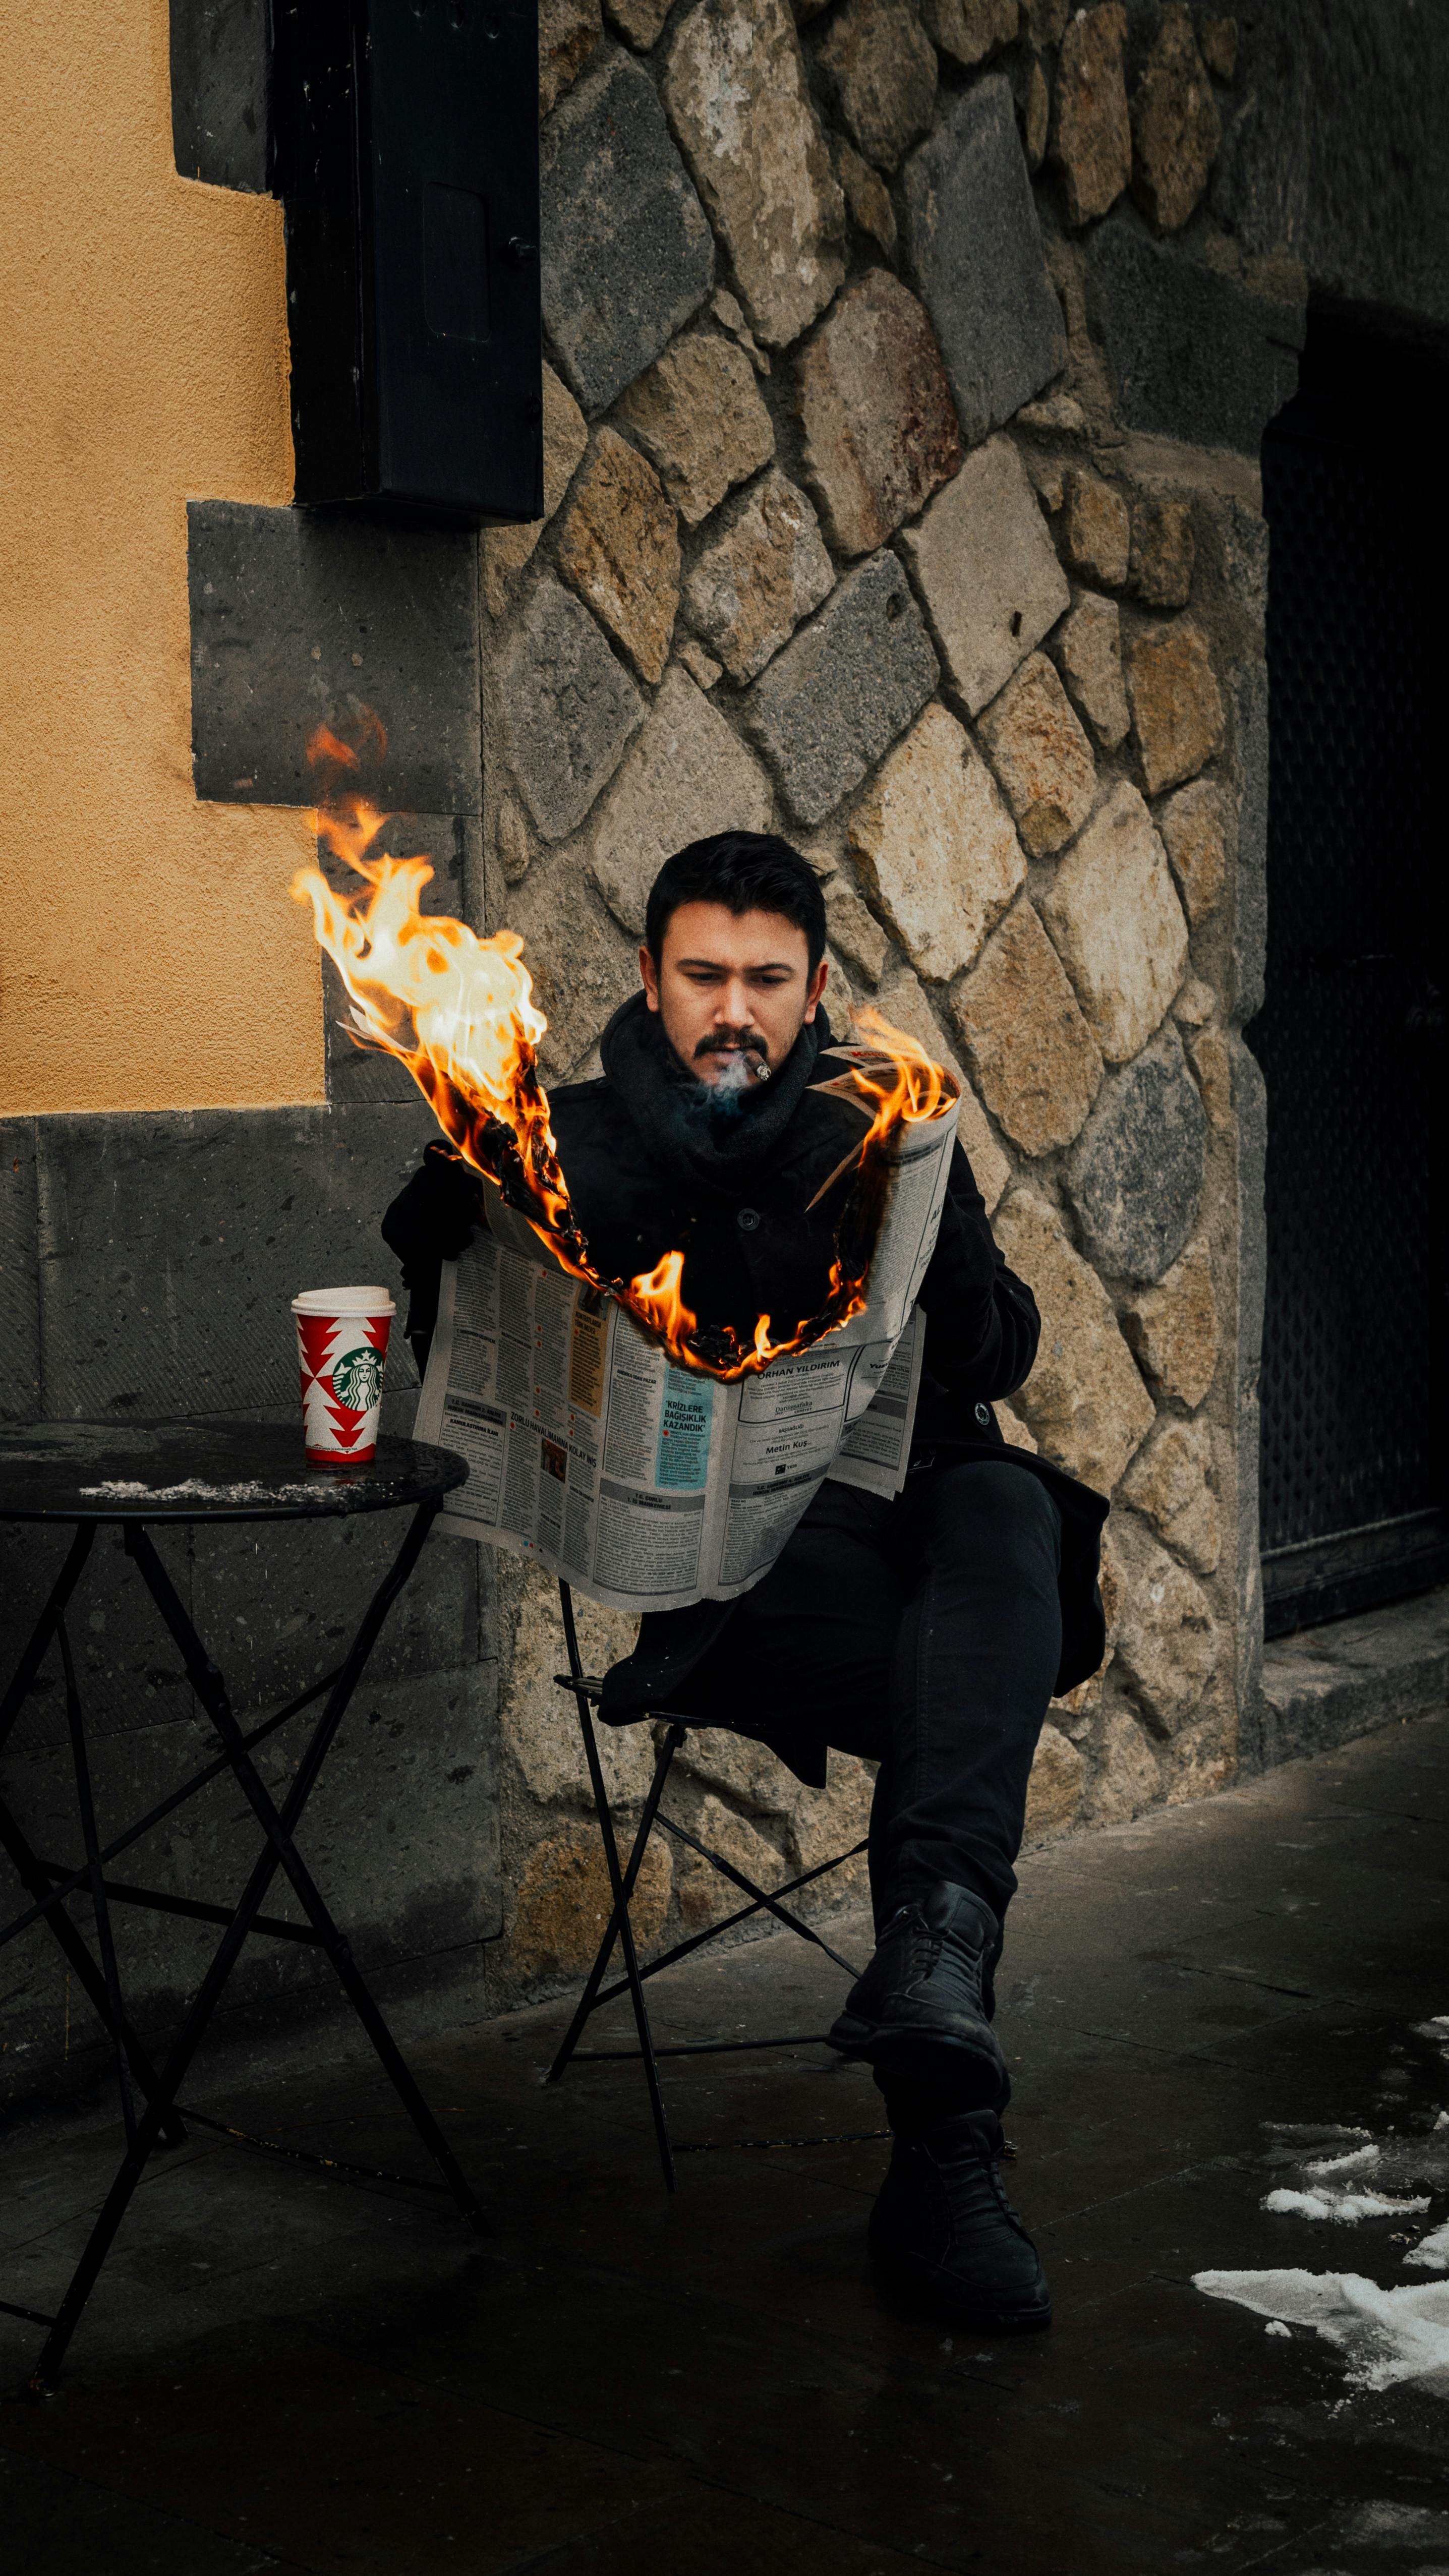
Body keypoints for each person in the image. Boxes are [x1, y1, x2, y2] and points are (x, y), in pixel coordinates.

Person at [382, 832, 1108, 2333]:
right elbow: (498, 1394)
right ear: (650, 979)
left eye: (767, 980)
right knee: (964, 1681)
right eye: (703, 975)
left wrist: (949, 1253)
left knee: (997, 1504)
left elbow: (997, 1358)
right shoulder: (570, 1141)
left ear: (815, 988)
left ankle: (934, 1980)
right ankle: (946, 2152)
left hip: (926, 1529)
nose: (735, 1010)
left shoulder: (879, 1115)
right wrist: (437, 1263)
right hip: (747, 1586)